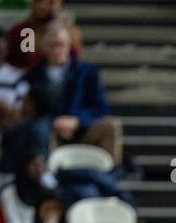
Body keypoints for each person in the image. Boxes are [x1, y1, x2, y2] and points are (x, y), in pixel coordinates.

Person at [26, 23, 121, 164]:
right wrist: (55, 121)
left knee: (111, 125)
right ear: (44, 47)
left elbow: (101, 107)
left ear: (69, 45)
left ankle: (110, 177)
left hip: (83, 127)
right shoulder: (33, 75)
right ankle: (48, 179)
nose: (57, 49)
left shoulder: (86, 71)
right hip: (52, 130)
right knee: (39, 130)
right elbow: (31, 111)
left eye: (61, 44)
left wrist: (77, 120)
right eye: (53, 45)